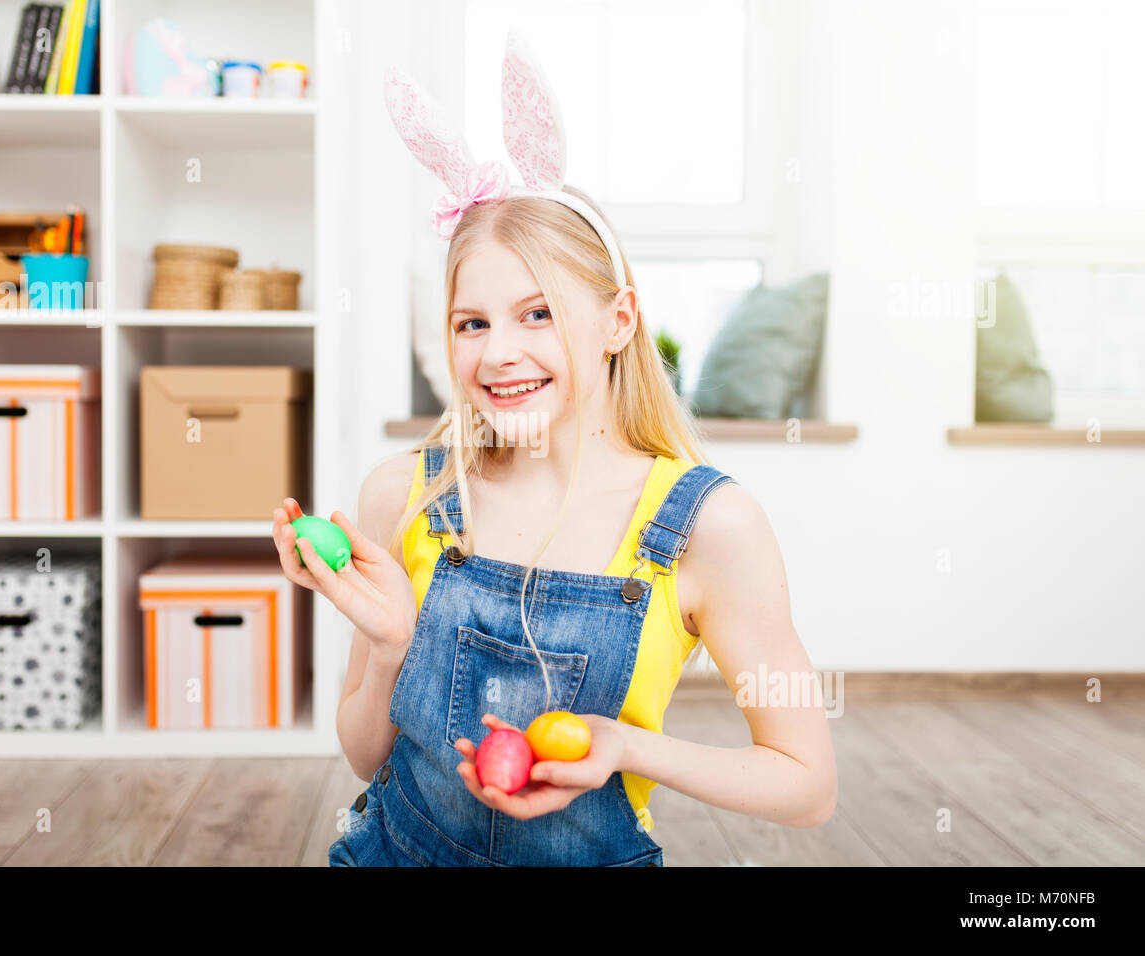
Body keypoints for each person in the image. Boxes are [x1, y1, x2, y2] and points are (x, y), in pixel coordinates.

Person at [272, 28, 837, 866]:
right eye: (474, 322)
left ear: (619, 320)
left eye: (537, 312)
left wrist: (627, 748)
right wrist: (390, 644)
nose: (499, 351)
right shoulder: (408, 497)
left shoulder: (709, 527)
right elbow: (363, 756)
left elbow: (807, 785)